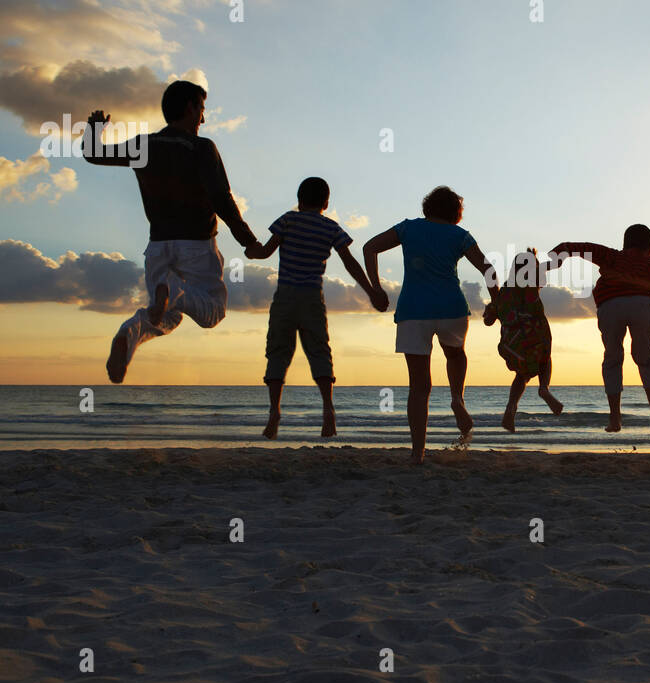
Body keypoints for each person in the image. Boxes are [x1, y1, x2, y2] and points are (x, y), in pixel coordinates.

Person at [82, 81, 262, 383]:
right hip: (196, 245)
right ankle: (174, 290)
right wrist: (249, 241)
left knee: (165, 316)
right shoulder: (202, 148)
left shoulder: (145, 145)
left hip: (158, 246)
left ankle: (129, 333)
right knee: (213, 312)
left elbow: (93, 153)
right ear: (190, 107)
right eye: (202, 110)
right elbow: (221, 198)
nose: (203, 119)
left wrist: (94, 128)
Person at [363, 186, 498, 464]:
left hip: (414, 311)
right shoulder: (460, 235)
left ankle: (417, 452)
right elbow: (489, 269)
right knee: (455, 354)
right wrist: (495, 303)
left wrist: (375, 288)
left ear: (427, 207)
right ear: (456, 213)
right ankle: (457, 398)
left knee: (419, 386)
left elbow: (369, 247)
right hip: (451, 308)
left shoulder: (408, 229)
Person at [246, 176, 384, 439]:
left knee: (277, 352)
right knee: (320, 351)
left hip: (285, 297)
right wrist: (372, 292)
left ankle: (274, 412)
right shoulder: (331, 228)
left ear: (298, 200)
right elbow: (350, 263)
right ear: (326, 203)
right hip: (312, 297)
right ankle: (328, 410)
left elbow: (265, 252)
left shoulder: (287, 220)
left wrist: (251, 252)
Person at [549, 225, 650, 436]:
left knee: (612, 358)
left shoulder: (611, 256)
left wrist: (557, 256)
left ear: (625, 244)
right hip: (641, 305)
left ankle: (615, 417)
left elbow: (577, 247)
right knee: (647, 360)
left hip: (611, 306)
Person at [482, 249, 563, 432]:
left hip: (513, 345)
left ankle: (511, 408)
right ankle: (544, 388)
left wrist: (491, 312)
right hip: (534, 337)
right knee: (544, 359)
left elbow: (488, 320)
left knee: (522, 374)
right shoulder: (531, 284)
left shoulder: (503, 292)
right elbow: (544, 275)